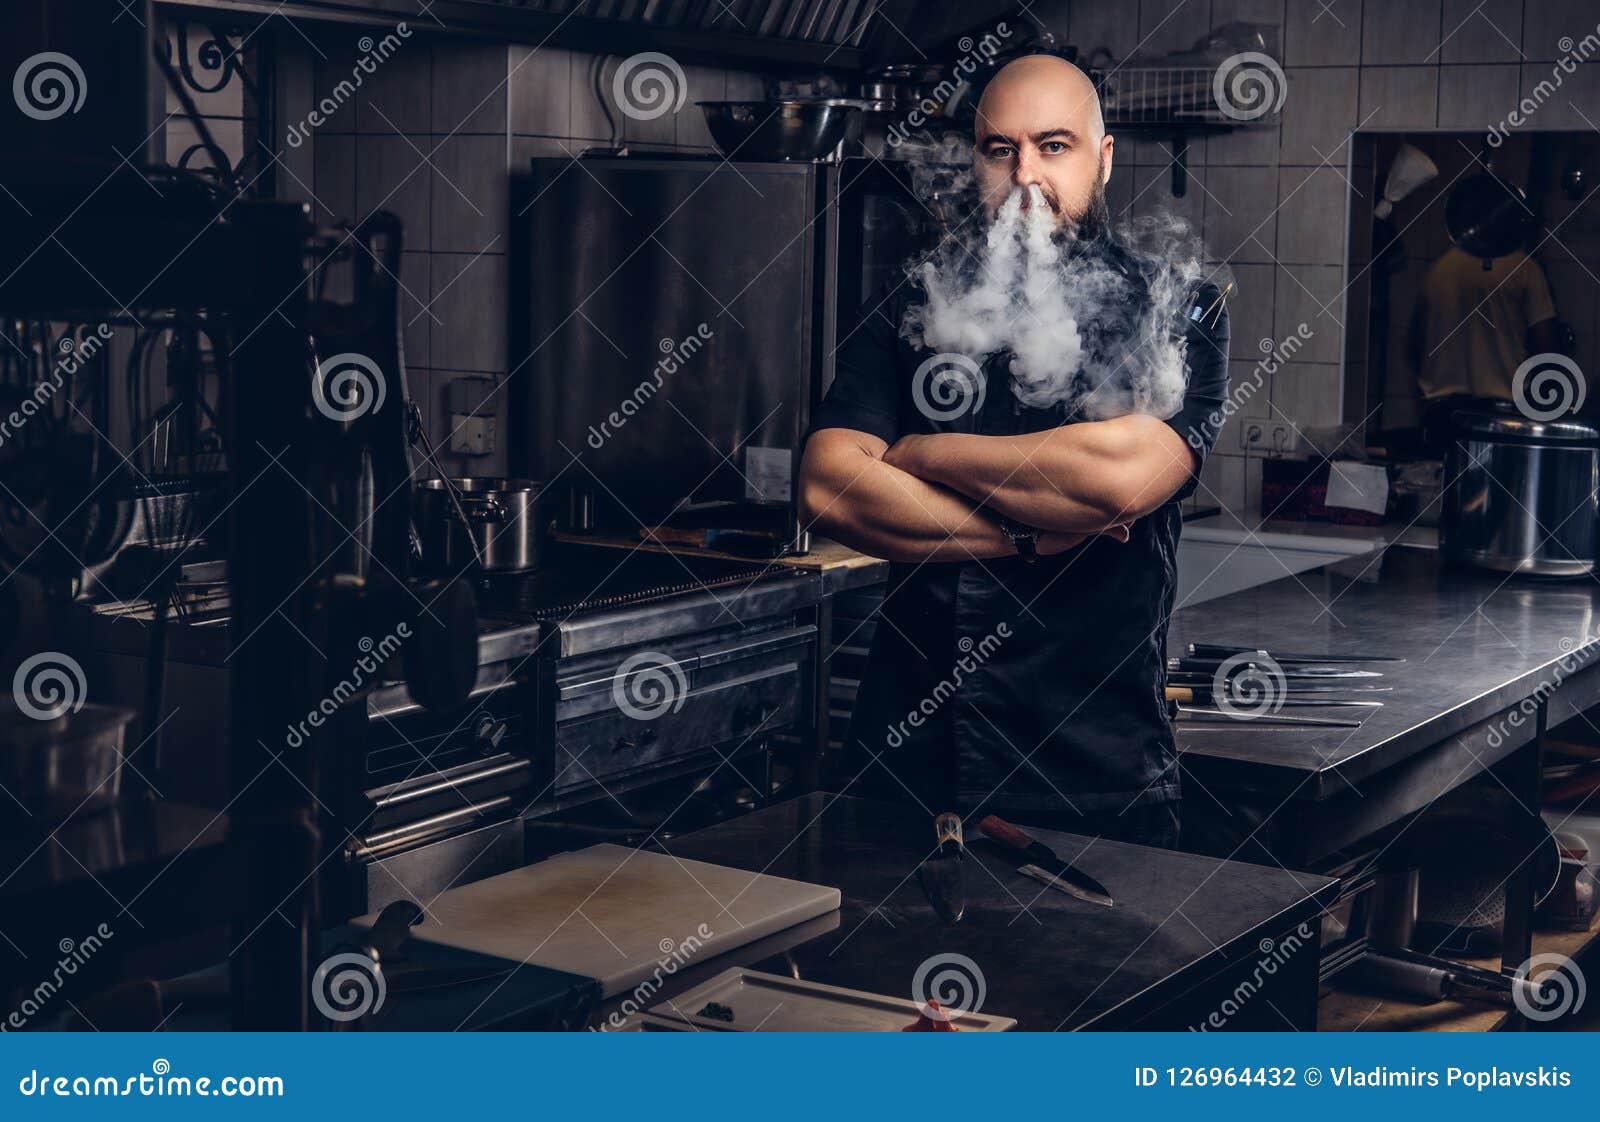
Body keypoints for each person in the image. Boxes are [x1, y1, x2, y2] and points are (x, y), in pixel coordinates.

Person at [796, 55, 1230, 849]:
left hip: (1092, 774)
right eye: (1001, 149)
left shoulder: (1179, 308)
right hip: (903, 770)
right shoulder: (911, 301)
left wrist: (922, 453)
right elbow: (829, 487)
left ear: (1102, 159)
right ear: (977, 160)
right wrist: (1030, 534)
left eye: (1054, 145)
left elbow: (1119, 480)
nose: (1025, 173)